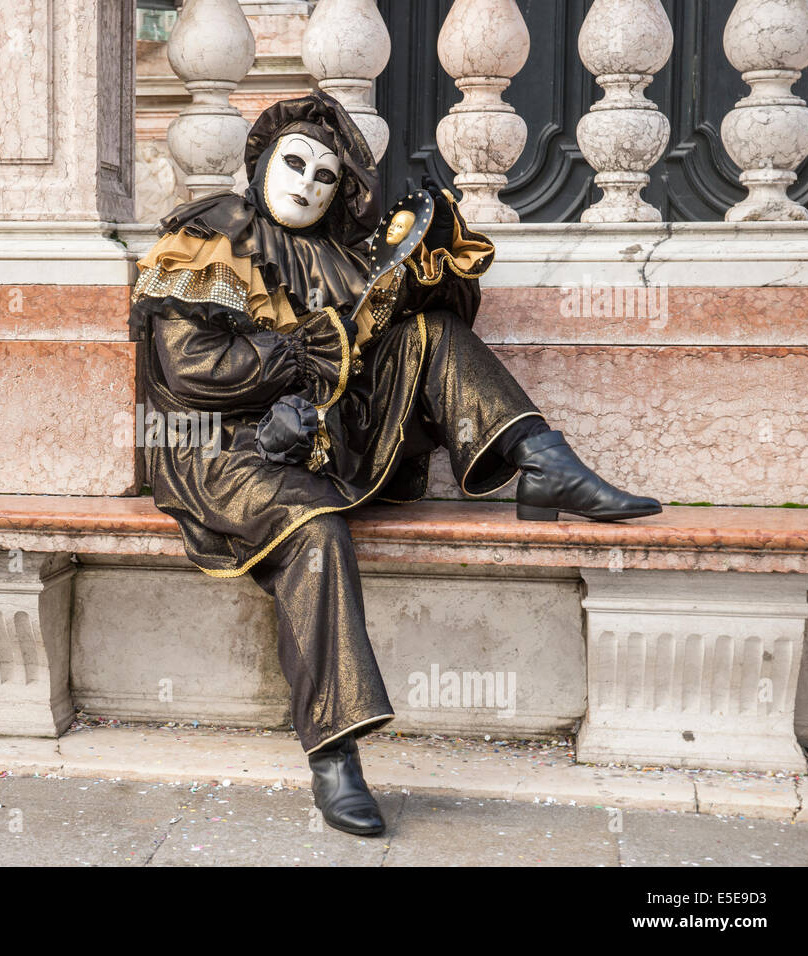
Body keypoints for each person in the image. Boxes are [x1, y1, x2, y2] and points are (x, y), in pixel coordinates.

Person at [129, 92, 660, 837]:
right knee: (315, 529)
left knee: (432, 331)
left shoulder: (342, 254)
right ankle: (334, 755)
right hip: (221, 446)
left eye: (325, 177)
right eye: (294, 164)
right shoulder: (210, 238)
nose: (307, 185)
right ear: (260, 162)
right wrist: (298, 353)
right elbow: (189, 369)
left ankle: (544, 461)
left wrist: (418, 273)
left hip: (323, 439)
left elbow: (375, 349)